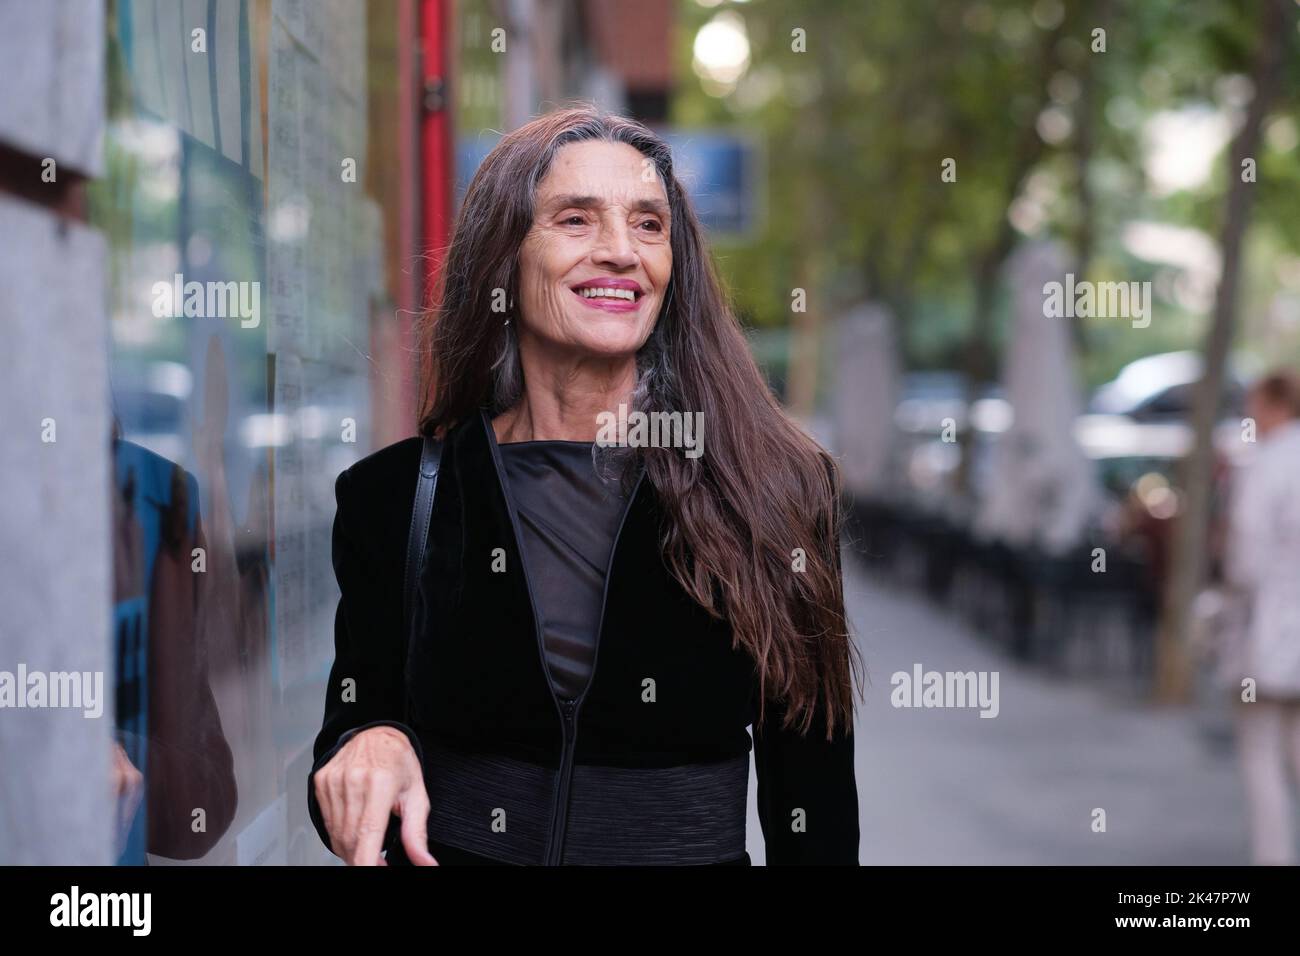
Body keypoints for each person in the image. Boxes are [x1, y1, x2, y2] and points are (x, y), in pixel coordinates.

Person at [307, 106, 863, 866]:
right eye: (576, 220)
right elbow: (347, 733)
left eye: (647, 225)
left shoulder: (773, 490)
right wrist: (369, 738)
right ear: (505, 256)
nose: (619, 253)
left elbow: (817, 812)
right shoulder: (394, 497)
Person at [1224, 369, 1300, 865]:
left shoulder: (1267, 464)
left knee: (1259, 752)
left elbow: (1244, 561)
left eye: (1254, 403)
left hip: (1269, 630)